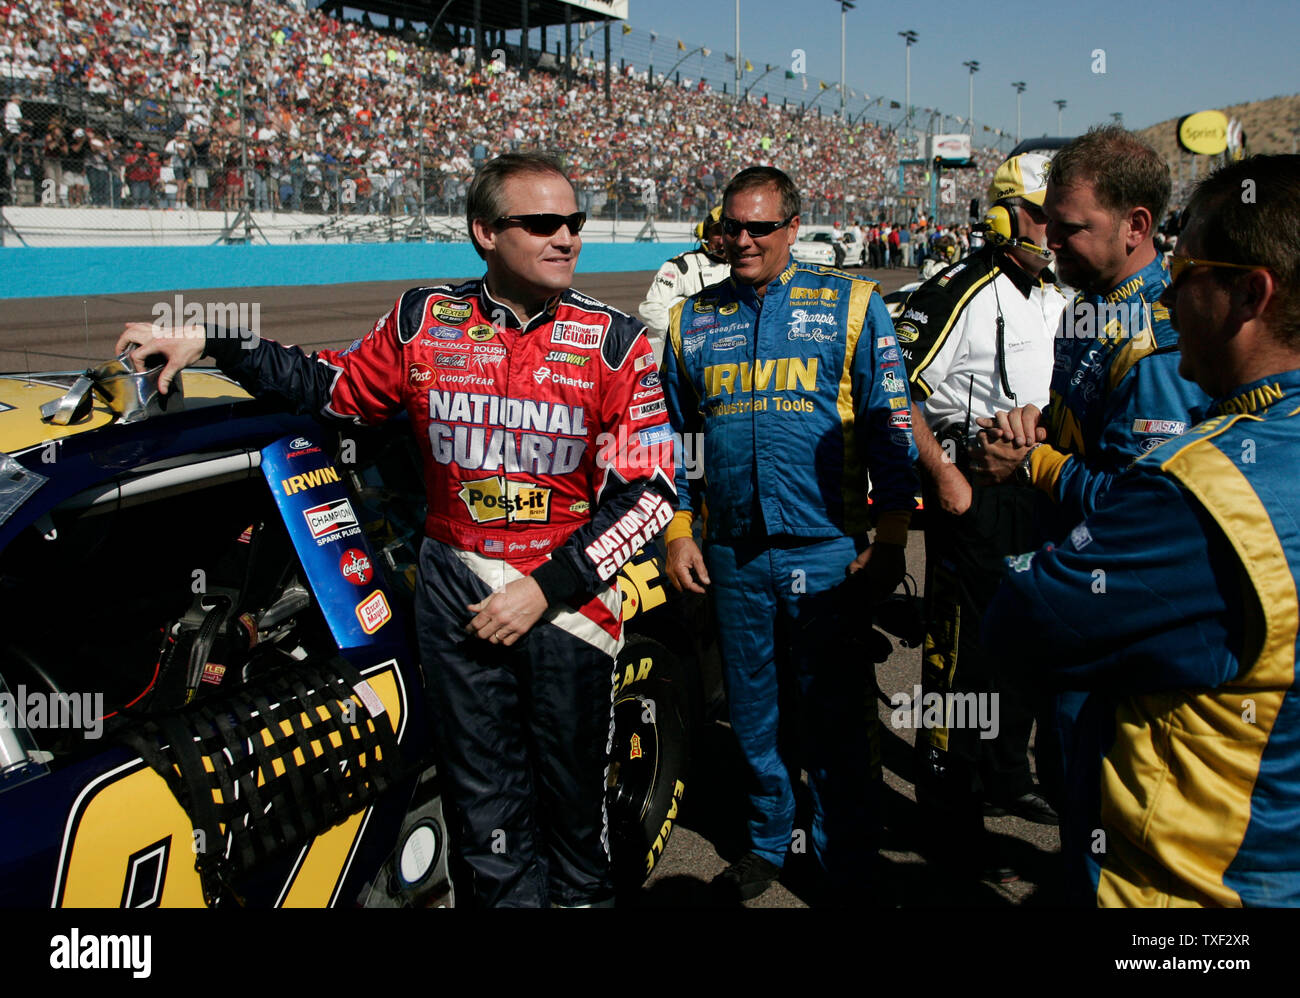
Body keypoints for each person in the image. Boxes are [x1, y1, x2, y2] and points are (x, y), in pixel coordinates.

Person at [116, 151, 676, 908]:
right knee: (486, 819)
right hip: (454, 592)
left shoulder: (618, 343)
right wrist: (215, 340)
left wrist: (546, 590)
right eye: (541, 223)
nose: (567, 238)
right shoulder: (424, 320)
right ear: (484, 231)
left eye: (574, 222)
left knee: (576, 824)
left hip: (569, 609)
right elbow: (335, 390)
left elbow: (650, 493)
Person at [984, 154, 1300, 906]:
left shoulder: (1199, 476)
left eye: (1187, 276)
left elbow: (1028, 618)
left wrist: (1037, 469)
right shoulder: (1084, 313)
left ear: (1252, 294)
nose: (1172, 296)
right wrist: (1050, 430)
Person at [660, 165, 918, 903]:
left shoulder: (853, 305)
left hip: (829, 548)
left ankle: (849, 861)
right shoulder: (691, 319)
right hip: (733, 553)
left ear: (793, 229)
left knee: (838, 716)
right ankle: (770, 841)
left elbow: (891, 426)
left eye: (759, 228)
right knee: (751, 711)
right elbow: (676, 441)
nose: (742, 240)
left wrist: (892, 534)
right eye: (732, 227)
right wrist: (681, 530)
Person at [973, 126, 1213, 811]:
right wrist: (1032, 428)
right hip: (1072, 594)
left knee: (1101, 813)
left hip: (1121, 624)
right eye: (1047, 223)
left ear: (1137, 226)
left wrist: (1036, 463)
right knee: (1065, 778)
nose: (1049, 241)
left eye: (1070, 227)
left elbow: (1142, 505)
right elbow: (1076, 439)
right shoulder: (1085, 309)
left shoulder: (1158, 341)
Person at [898, 153, 1069, 875]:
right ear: (1002, 218)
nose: (1053, 229)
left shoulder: (1059, 295)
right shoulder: (957, 288)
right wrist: (943, 473)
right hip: (976, 491)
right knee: (959, 660)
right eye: (1039, 213)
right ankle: (946, 806)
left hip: (1040, 487)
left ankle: (1006, 779)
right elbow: (892, 387)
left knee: (1027, 646)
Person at [637, 205, 730, 363]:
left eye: (727, 232)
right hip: (694, 357)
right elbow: (650, 308)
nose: (722, 240)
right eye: (716, 232)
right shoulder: (681, 266)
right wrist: (682, 339)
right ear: (704, 233)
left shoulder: (746, 267)